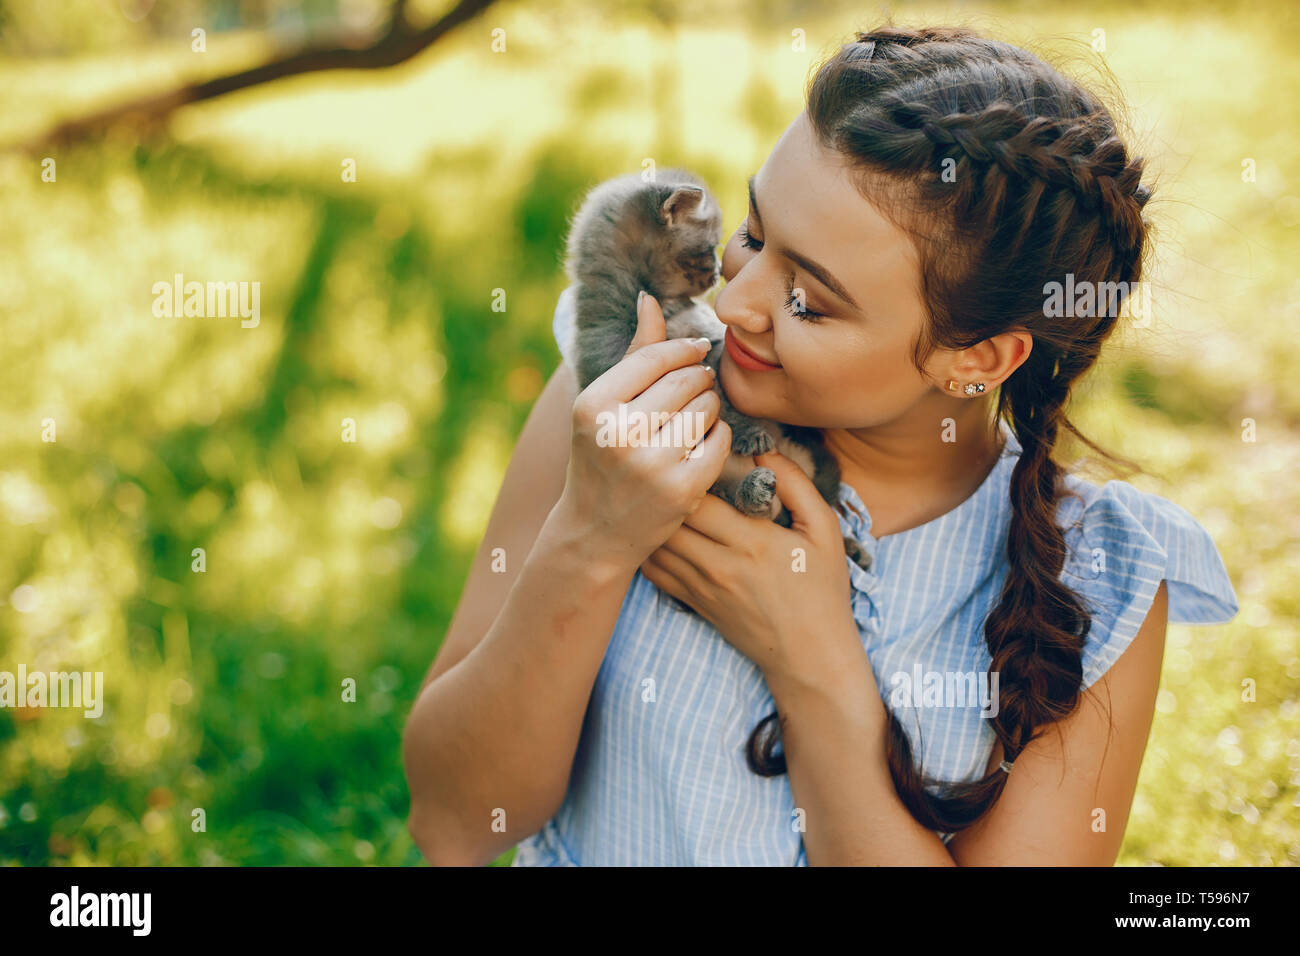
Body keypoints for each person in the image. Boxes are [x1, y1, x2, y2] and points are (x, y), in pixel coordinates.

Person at [402, 25, 1239, 866]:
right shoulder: (631, 392)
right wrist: (589, 538)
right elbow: (454, 823)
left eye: (808, 300)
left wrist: (813, 664)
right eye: (755, 237)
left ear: (974, 359)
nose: (734, 305)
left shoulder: (1098, 576)